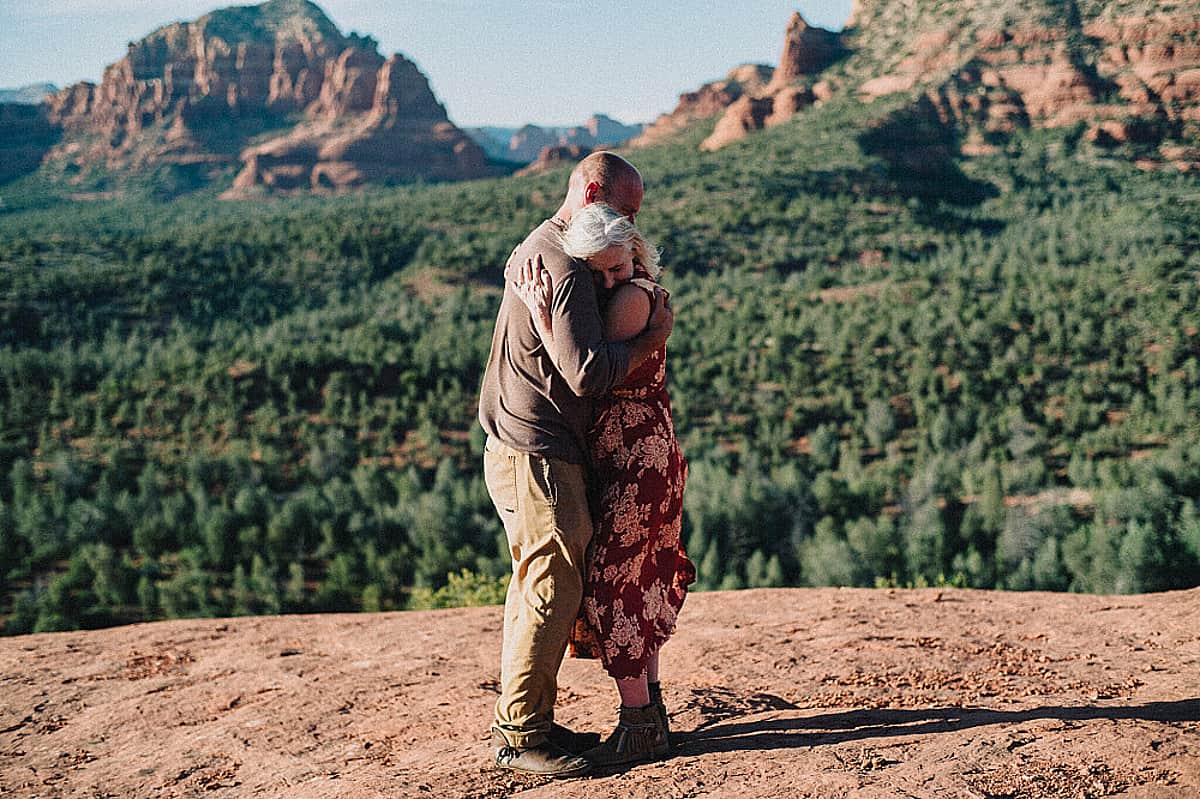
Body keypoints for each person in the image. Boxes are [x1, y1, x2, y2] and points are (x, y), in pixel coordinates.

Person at [477, 152, 674, 778]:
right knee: (553, 577)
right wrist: (652, 336)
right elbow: (586, 374)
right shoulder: (561, 265)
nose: (631, 226)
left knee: (542, 574)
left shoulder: (549, 247)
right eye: (625, 209)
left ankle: (526, 716)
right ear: (591, 192)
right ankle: (523, 736)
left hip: (525, 442)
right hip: (537, 447)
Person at [510, 202, 695, 768]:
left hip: (631, 454)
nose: (611, 278)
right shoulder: (635, 292)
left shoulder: (631, 299)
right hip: (639, 450)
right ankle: (650, 719)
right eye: (601, 270)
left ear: (635, 252)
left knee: (616, 583)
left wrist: (546, 321)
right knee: (637, 578)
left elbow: (588, 377)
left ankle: (641, 727)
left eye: (619, 265)